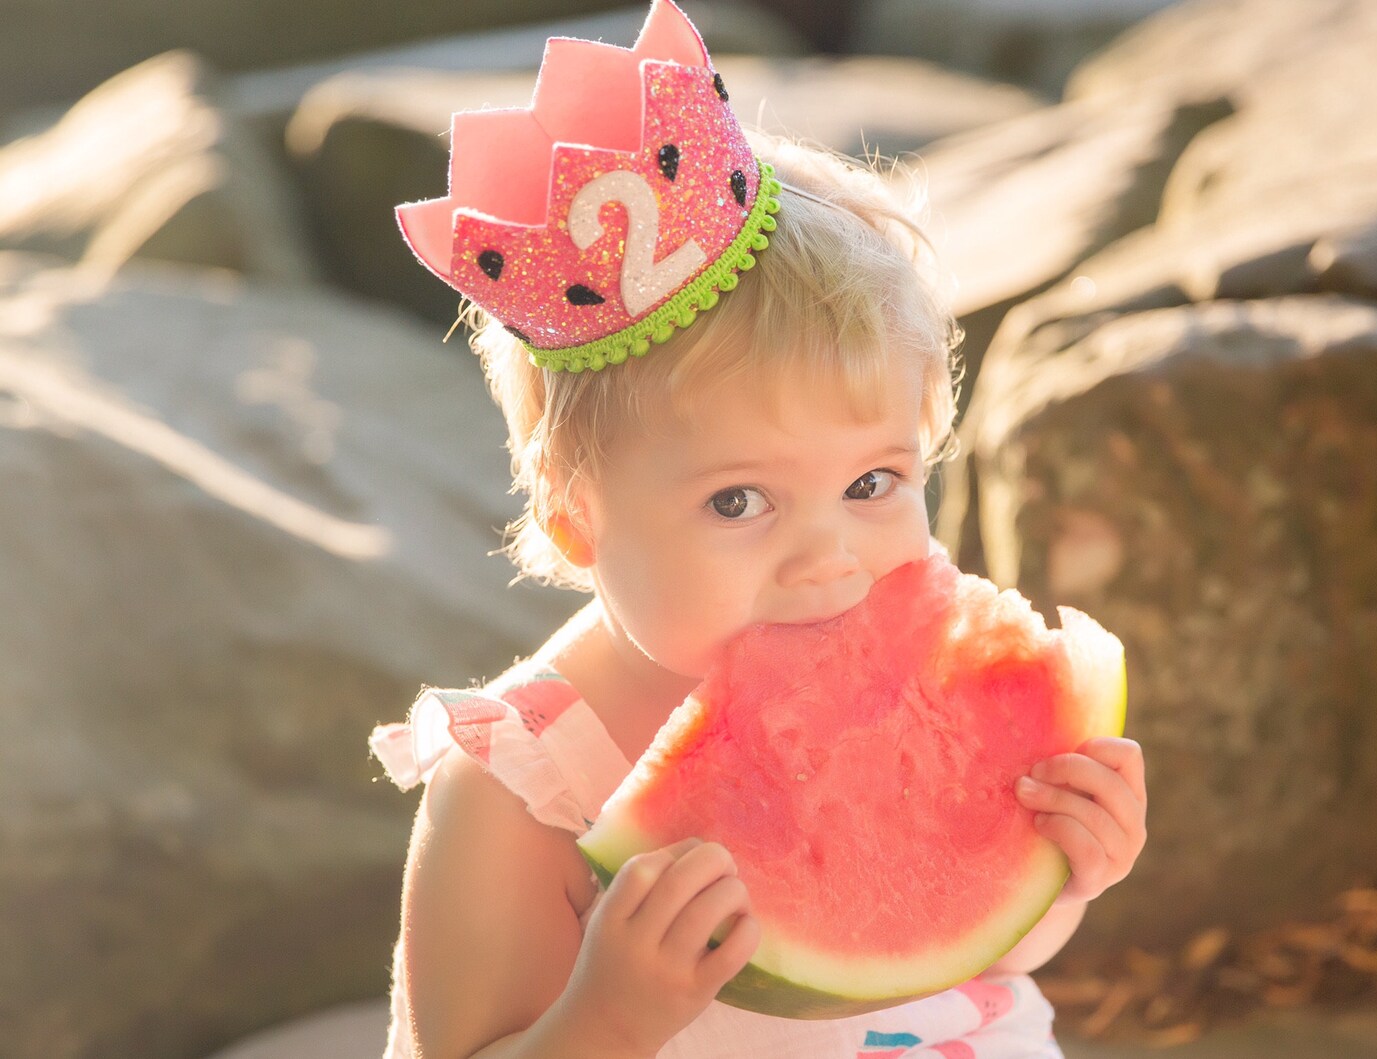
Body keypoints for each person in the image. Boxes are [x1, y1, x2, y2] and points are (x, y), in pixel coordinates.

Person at [369, 2, 1148, 1056]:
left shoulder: (914, 668)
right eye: (739, 502)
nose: (827, 560)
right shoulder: (517, 788)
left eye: (873, 482)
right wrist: (605, 1021)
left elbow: (971, 948)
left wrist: (1067, 874)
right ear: (576, 516)